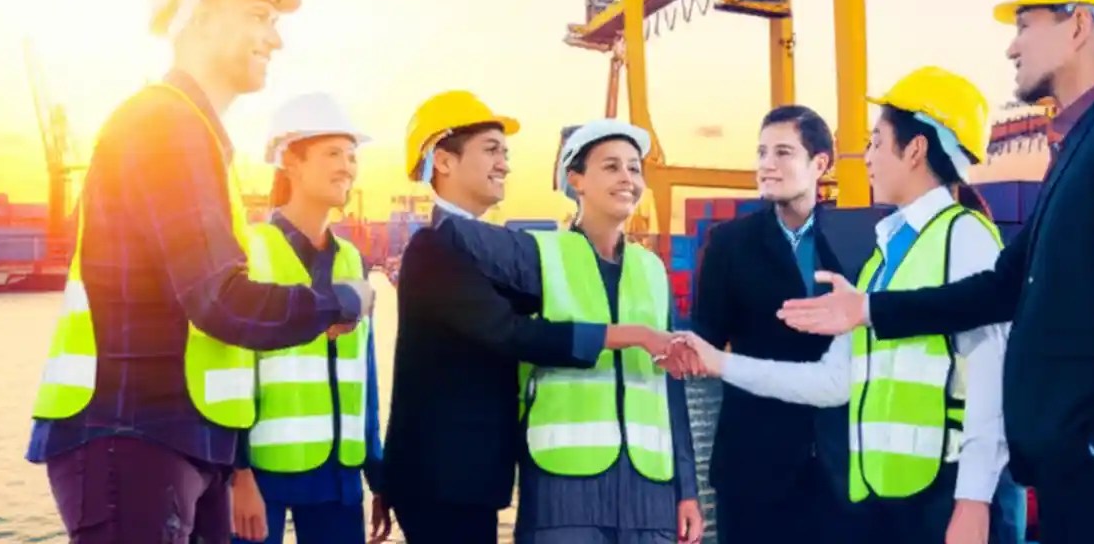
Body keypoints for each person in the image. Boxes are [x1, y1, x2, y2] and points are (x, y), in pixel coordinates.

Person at [777, 0, 1094, 544]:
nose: (1012, 47)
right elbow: (1003, 288)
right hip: (1073, 474)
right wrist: (868, 310)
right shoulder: (1078, 147)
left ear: (1079, 24)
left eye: (1025, 25)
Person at [26, 0, 373, 543]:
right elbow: (221, 301)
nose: (275, 39)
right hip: (132, 435)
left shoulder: (196, 135)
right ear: (202, 15)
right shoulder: (166, 125)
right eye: (260, 16)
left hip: (180, 439)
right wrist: (343, 301)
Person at [680, 68, 1023, 544]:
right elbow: (834, 381)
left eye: (876, 142)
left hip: (947, 500)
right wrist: (720, 362)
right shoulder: (883, 258)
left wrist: (974, 500)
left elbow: (991, 380)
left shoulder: (962, 237)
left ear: (915, 150)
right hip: (894, 500)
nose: (866, 158)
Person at [382, 93, 687, 543]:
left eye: (505, 153)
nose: (504, 164)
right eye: (491, 150)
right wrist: (631, 334)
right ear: (443, 161)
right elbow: (508, 333)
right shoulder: (435, 247)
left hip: (470, 477)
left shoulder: (493, 251)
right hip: (441, 477)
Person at [229, 92, 392, 544]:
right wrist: (236, 475)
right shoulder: (250, 252)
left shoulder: (352, 259)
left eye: (352, 155)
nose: (347, 166)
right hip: (262, 476)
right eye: (333, 153)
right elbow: (229, 373)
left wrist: (376, 472)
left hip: (339, 476)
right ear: (291, 162)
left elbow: (364, 376)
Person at [688, 105, 852, 544]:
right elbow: (705, 342)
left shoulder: (857, 240)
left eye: (782, 152)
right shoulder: (728, 244)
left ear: (820, 163)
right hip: (753, 465)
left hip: (840, 466)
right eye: (761, 152)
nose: (766, 164)